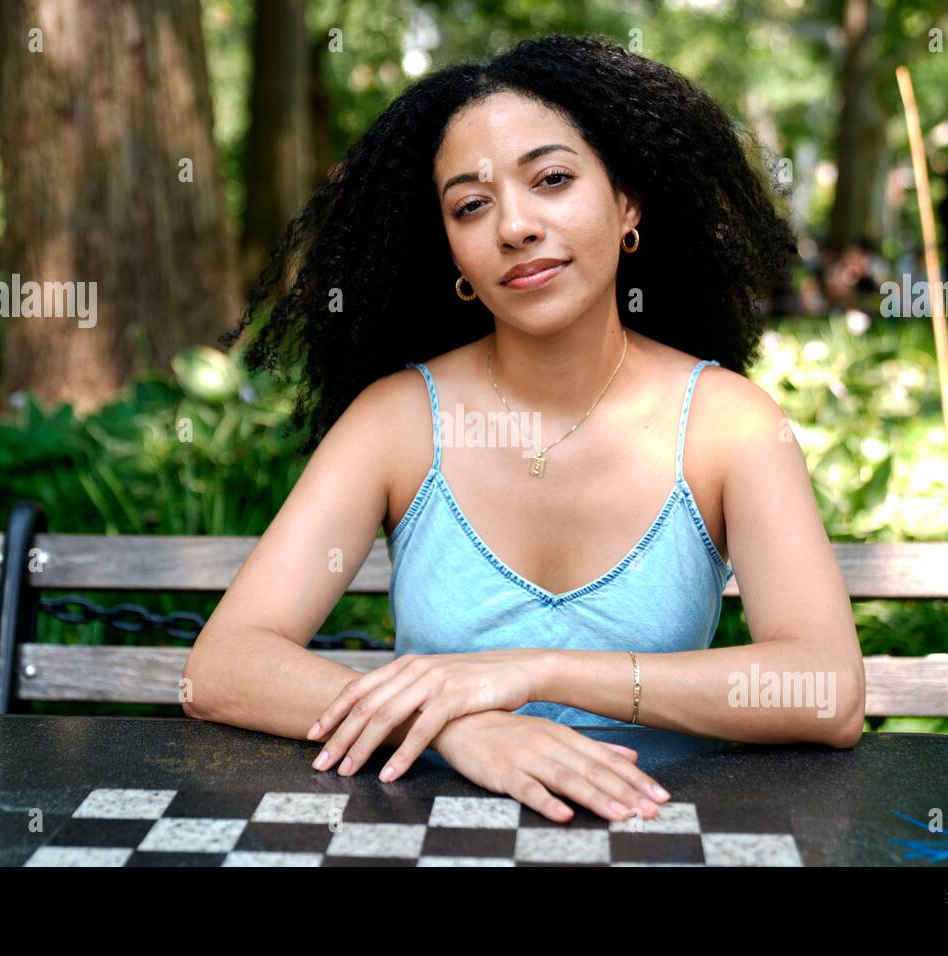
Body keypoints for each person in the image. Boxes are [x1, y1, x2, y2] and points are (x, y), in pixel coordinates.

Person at [186, 34, 864, 825]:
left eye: (551, 179)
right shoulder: (399, 421)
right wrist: (461, 724)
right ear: (452, 250)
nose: (514, 225)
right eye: (471, 205)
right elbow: (223, 666)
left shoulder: (726, 424)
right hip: (428, 837)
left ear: (629, 202)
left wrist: (535, 672)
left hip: (658, 834)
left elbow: (829, 691)